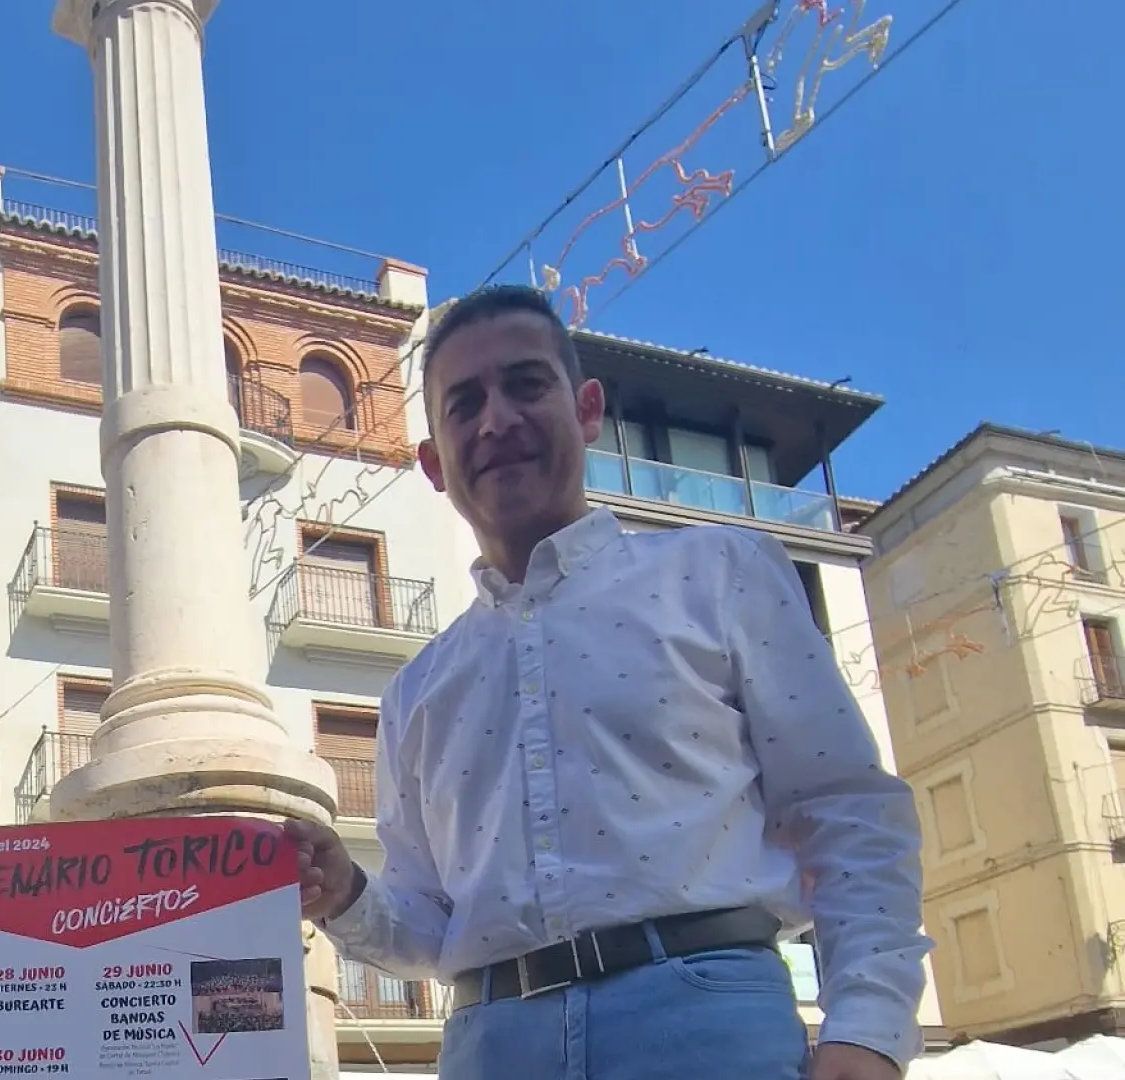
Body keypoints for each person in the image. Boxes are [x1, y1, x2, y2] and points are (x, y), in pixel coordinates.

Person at [286, 286, 928, 1080]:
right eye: (463, 404)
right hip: (491, 1043)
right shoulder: (417, 692)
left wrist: (867, 1030)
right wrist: (346, 891)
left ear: (587, 409)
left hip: (709, 1023)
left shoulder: (721, 573)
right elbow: (427, 928)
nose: (495, 420)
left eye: (526, 385)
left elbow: (845, 809)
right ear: (432, 463)